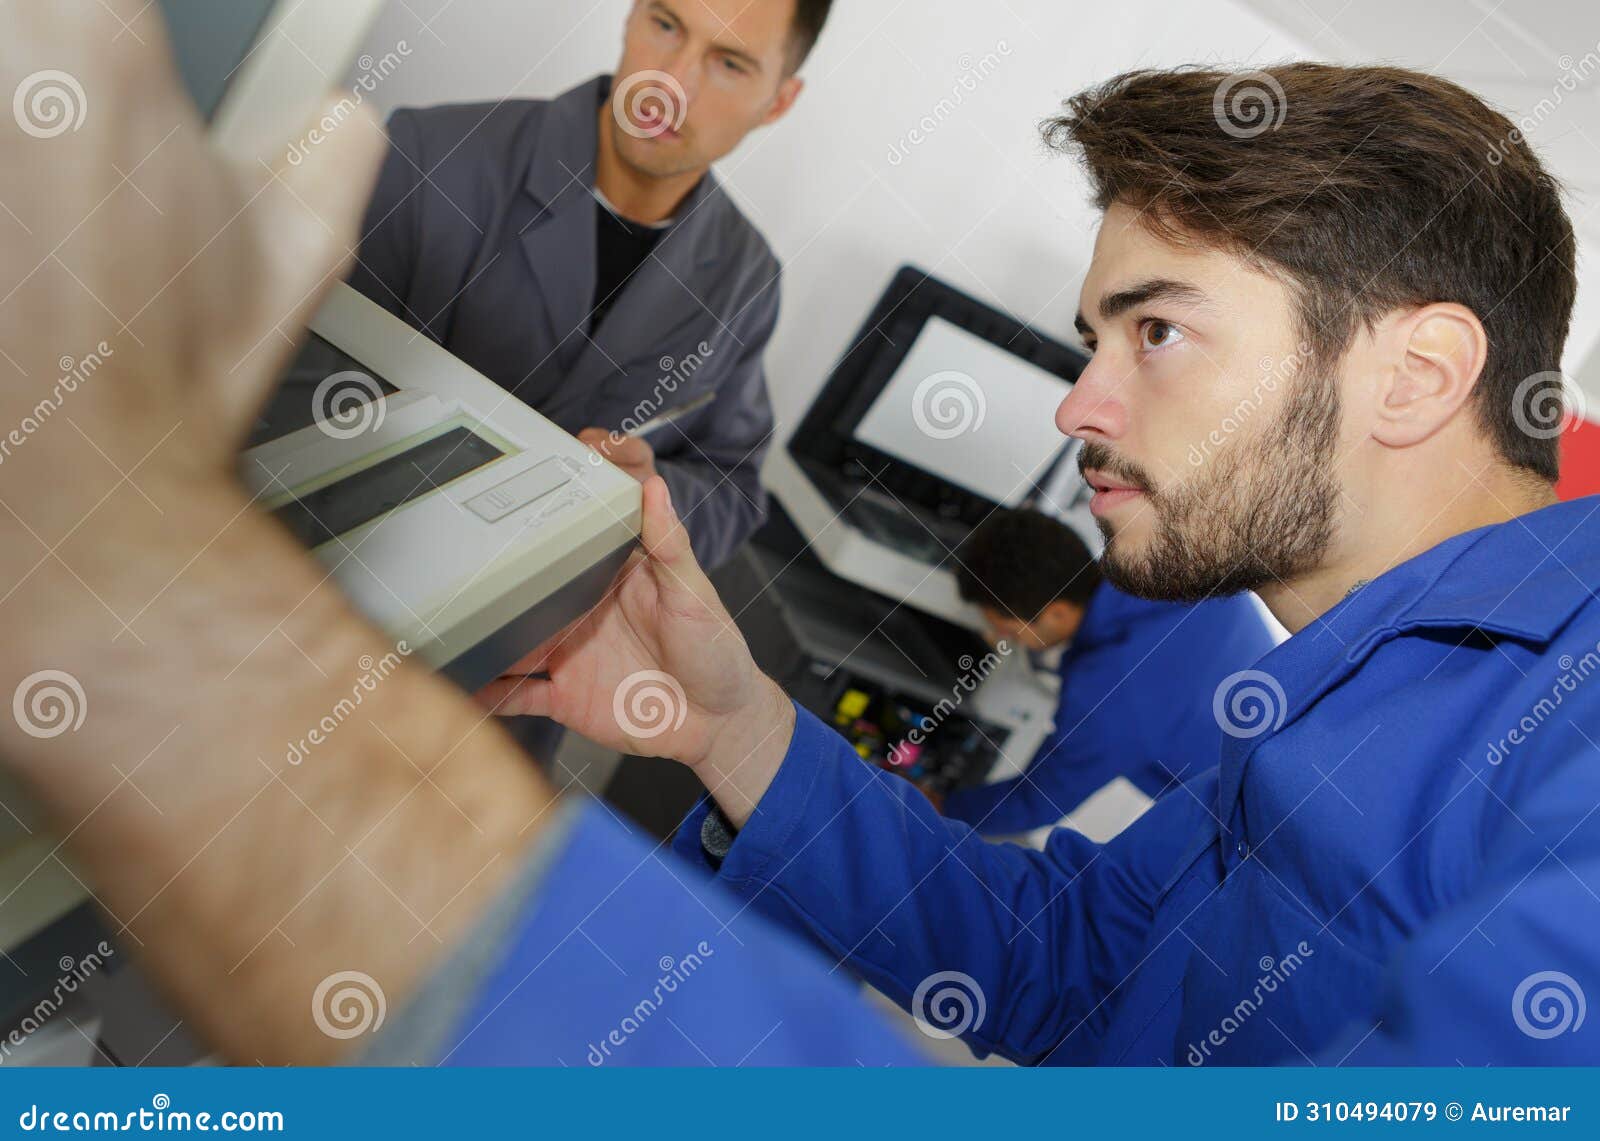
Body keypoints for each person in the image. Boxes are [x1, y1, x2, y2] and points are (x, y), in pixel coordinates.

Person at [5, 6, 1595, 1069]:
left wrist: (149, 609)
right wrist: (736, 724)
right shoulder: (1336, 693)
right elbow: (1059, 962)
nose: (1077, 409)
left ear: (1421, 375)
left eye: (1157, 332)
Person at [347, 0, 832, 767]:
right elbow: (281, 403)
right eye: (667, 25)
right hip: (325, 635)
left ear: (779, 101)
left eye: (729, 62)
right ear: (634, 14)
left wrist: (648, 498)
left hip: (515, 706)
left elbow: (731, 486)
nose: (670, 83)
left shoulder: (746, 276)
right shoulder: (430, 156)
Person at [940, 508, 1275, 835]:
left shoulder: (1112, 691)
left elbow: (1036, 802)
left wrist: (937, 807)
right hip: (1308, 733)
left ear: (1056, 613)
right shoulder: (1170, 563)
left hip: (1270, 823)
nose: (998, 638)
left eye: (1008, 630)